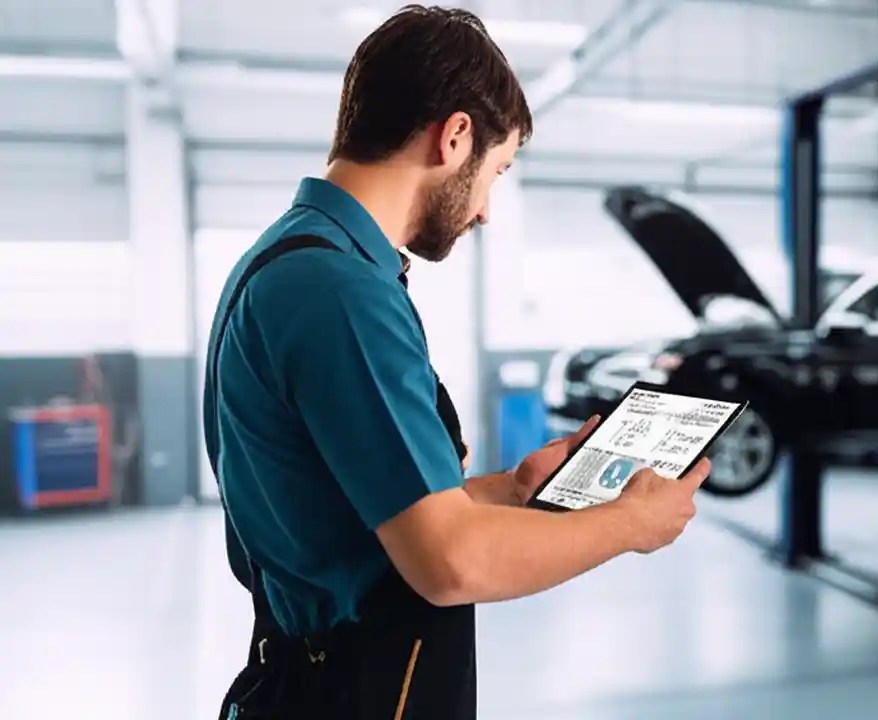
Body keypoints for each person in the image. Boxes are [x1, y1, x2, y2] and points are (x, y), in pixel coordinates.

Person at [202, 6, 711, 719]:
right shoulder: (338, 293)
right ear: (455, 136)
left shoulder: (292, 260)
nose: (484, 211)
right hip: (355, 692)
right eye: (495, 173)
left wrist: (512, 488)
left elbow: (359, 520)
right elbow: (449, 562)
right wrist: (632, 523)